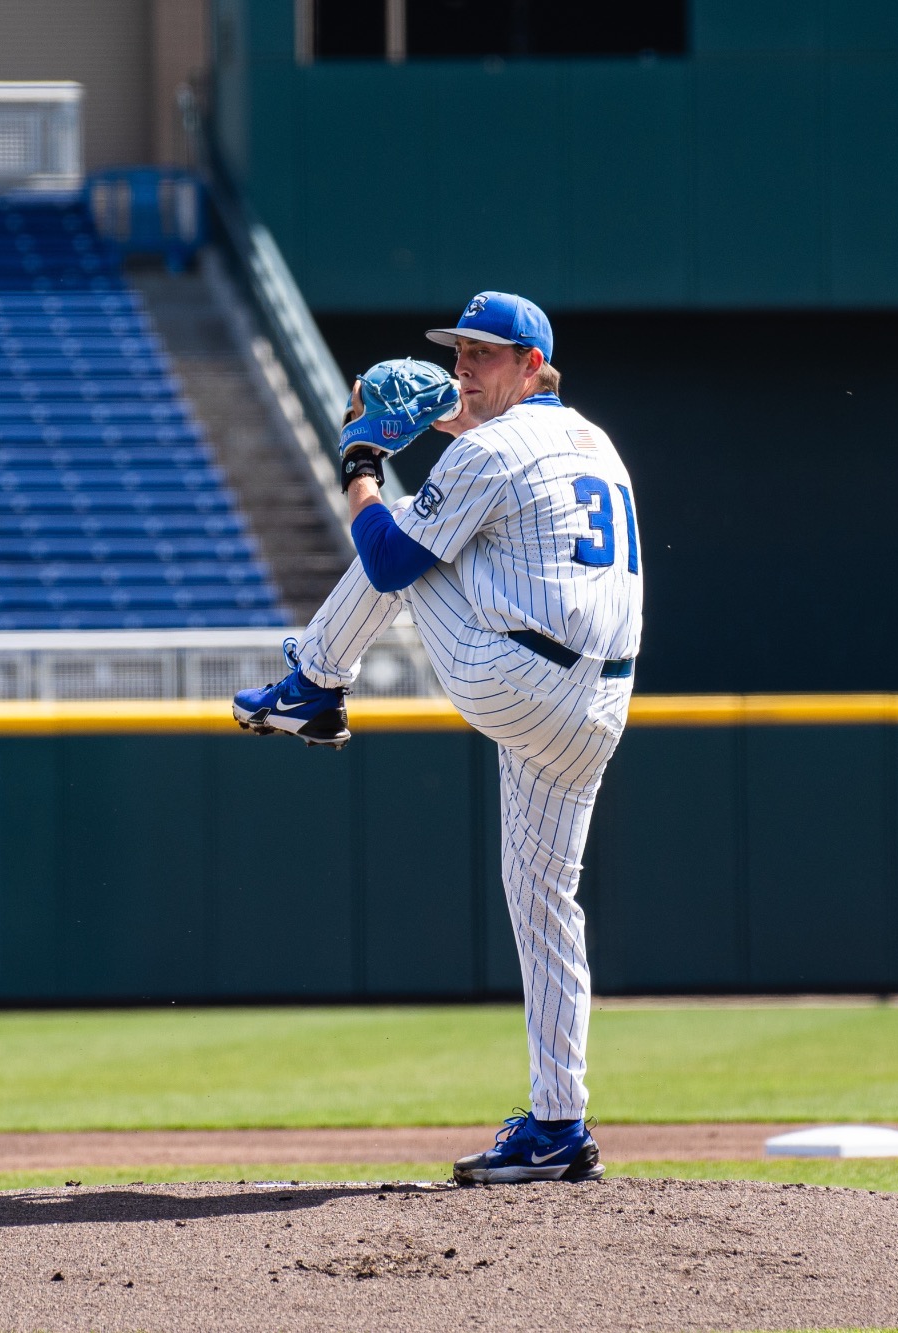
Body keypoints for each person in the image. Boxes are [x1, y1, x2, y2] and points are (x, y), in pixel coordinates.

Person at [233, 291, 644, 1184]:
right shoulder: (592, 440)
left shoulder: (493, 449)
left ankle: (314, 680)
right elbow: (507, 467)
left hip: (520, 679)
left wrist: (363, 459)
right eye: (459, 350)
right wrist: (449, 419)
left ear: (533, 364)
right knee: (543, 902)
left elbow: (389, 558)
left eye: (484, 353)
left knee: (404, 547)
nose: (463, 364)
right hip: (598, 707)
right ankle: (559, 1123)